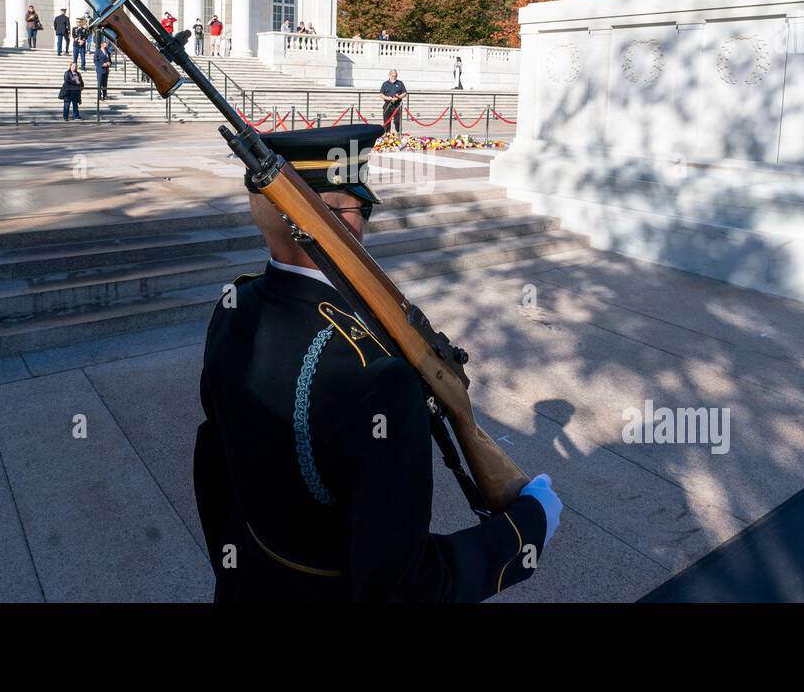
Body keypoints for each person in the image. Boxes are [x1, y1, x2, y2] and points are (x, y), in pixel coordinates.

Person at [193, 124, 559, 602]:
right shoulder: (378, 378)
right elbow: (404, 587)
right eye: (359, 208)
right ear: (335, 221)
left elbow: (213, 463)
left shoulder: (232, 305)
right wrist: (526, 528)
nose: (364, 222)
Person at [379, 69, 407, 134]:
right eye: (392, 76)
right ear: (389, 75)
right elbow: (381, 94)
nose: (394, 77)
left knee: (397, 121)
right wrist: (387, 98)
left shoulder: (400, 83)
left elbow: (404, 93)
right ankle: (387, 134)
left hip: (397, 105)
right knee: (386, 120)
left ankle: (398, 133)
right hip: (387, 104)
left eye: (395, 76)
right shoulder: (385, 84)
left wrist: (399, 97)